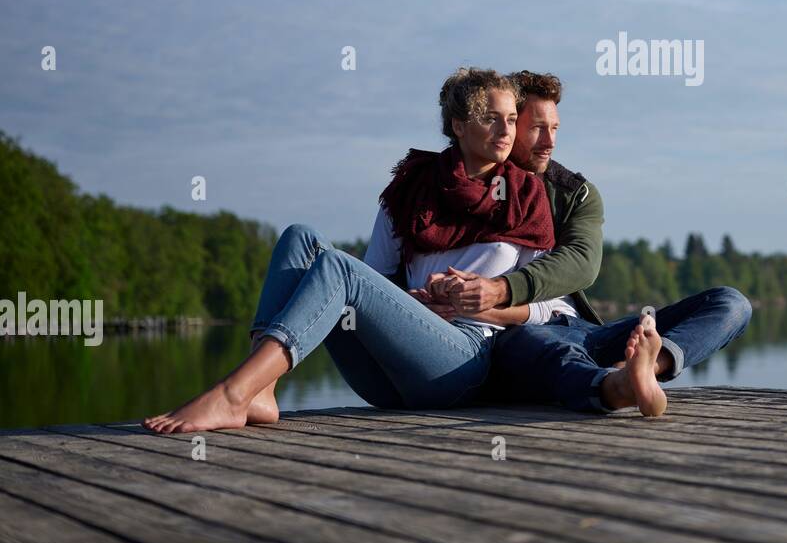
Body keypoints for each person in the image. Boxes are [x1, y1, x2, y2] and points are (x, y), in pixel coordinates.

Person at [143, 67, 559, 434]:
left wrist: (479, 301)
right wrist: (410, 302)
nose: (507, 132)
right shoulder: (411, 190)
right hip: (387, 375)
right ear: (459, 125)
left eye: (510, 120)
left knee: (340, 268)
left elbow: (549, 309)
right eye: (491, 120)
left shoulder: (526, 195)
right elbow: (373, 277)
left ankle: (233, 392)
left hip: (460, 366)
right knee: (299, 238)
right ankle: (260, 390)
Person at [437, 71, 754, 418]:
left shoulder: (575, 193)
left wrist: (500, 289)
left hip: (586, 330)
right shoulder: (469, 190)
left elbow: (581, 264)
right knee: (544, 348)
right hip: (519, 333)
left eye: (555, 128)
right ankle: (615, 386)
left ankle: (645, 368)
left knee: (731, 303)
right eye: (536, 128)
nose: (549, 141)